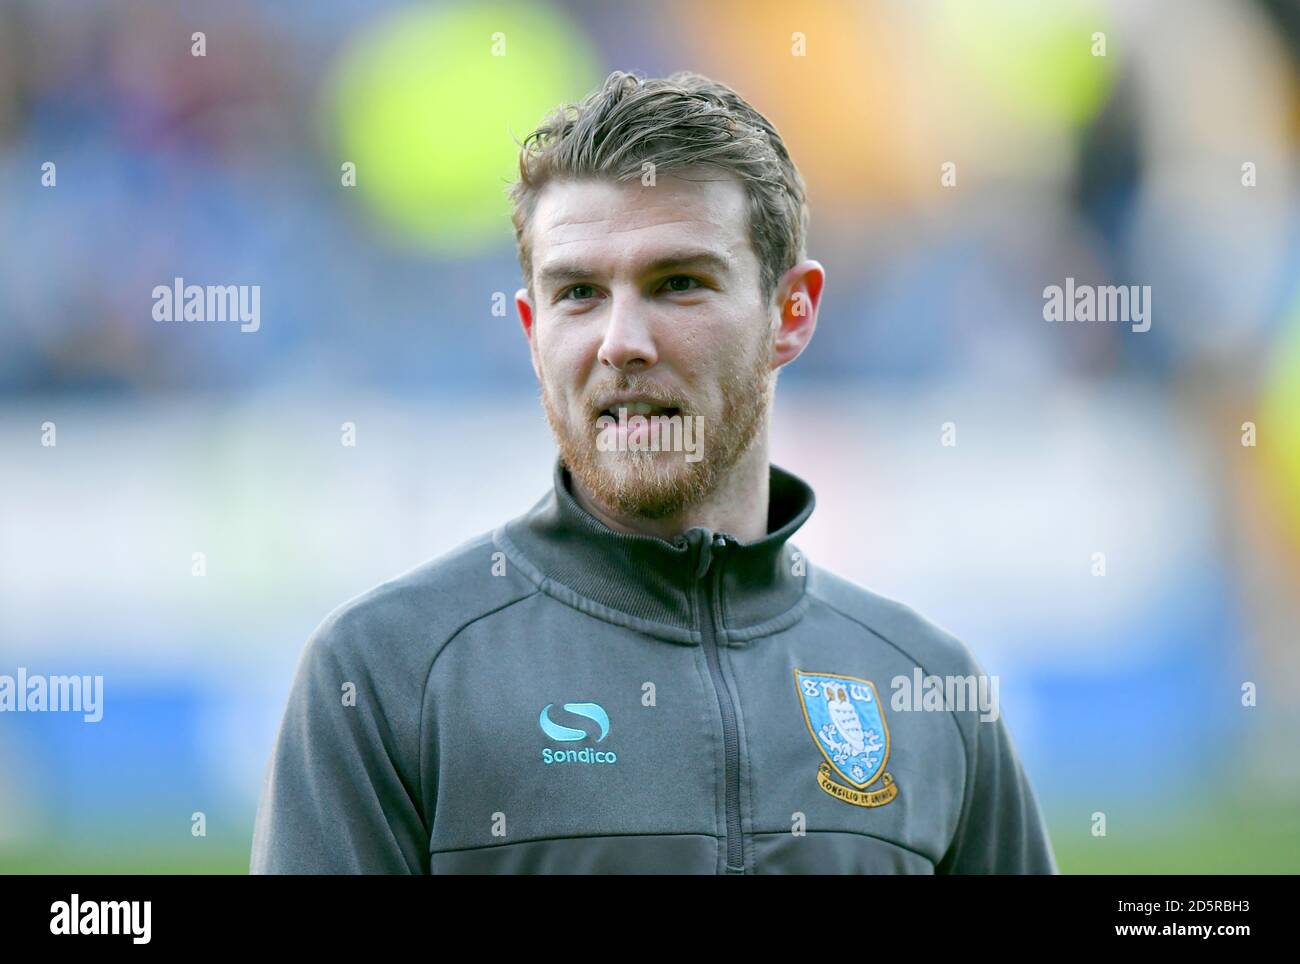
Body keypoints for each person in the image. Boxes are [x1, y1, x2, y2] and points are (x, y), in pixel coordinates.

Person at [250, 70, 1058, 874]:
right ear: (532, 330)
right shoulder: (386, 674)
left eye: (678, 284)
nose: (621, 341)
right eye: (578, 293)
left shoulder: (929, 687)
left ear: (791, 313)